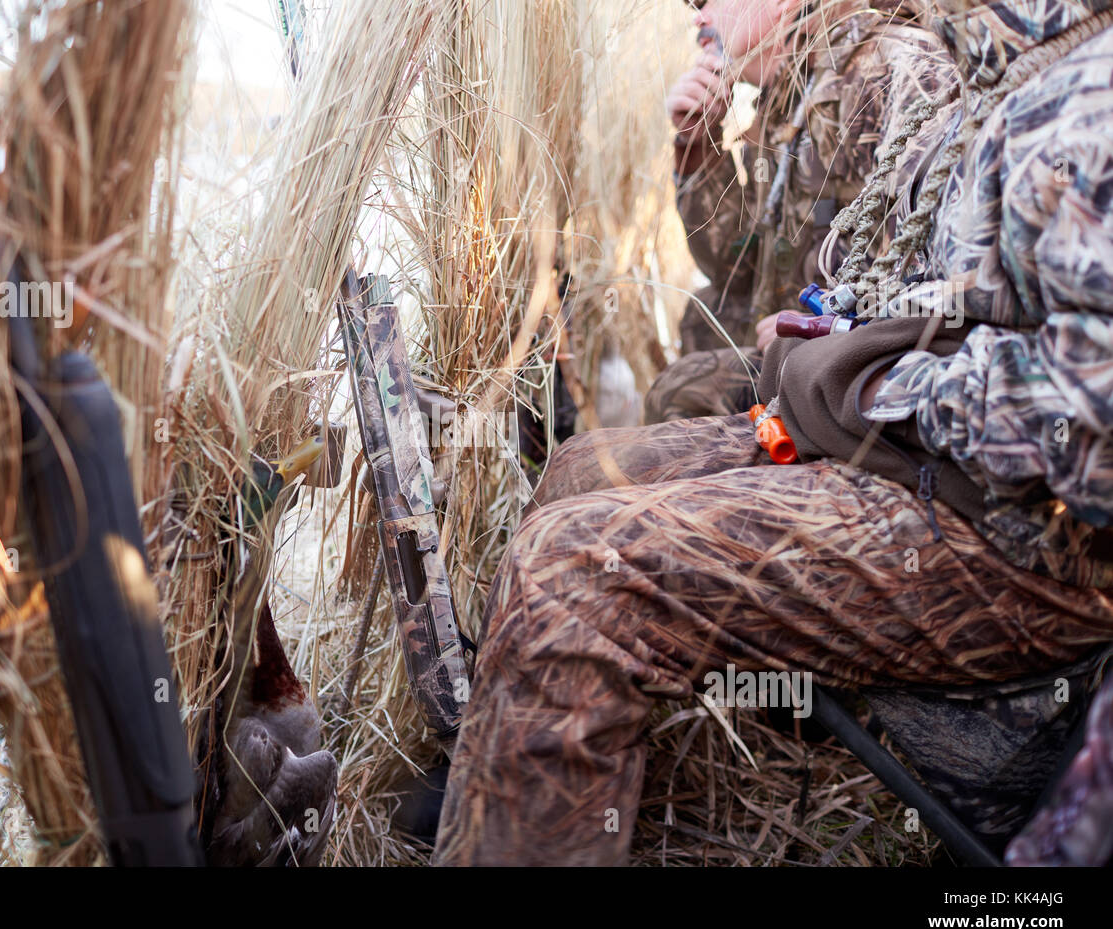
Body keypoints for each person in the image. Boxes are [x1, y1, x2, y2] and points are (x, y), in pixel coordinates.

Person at [433, 0, 1113, 866]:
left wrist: (870, 381)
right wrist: (700, 157)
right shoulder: (990, 76)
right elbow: (802, 275)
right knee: (579, 470)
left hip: (1012, 540)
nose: (697, 10)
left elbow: (1088, 421)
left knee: (574, 569)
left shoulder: (977, 81)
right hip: (914, 458)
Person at [647, 0, 953, 422]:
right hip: (795, 346)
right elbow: (734, 267)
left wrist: (824, 320)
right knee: (705, 315)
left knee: (680, 390)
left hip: (872, 367)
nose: (697, 17)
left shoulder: (900, 68)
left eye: (705, 1)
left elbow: (943, 277)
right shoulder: (786, 95)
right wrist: (698, 148)